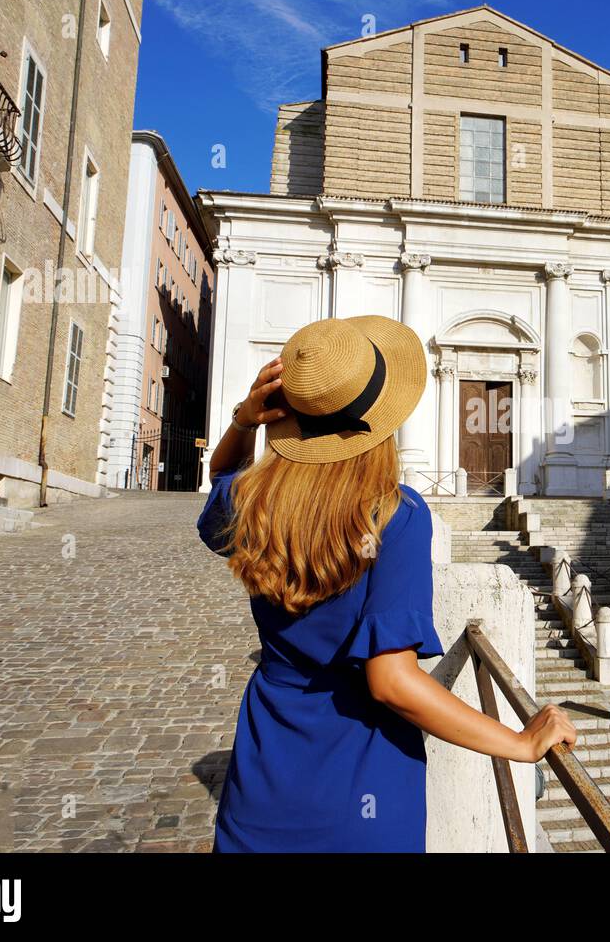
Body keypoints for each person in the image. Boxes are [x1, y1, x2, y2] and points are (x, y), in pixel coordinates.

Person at [197, 316, 576, 852]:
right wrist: (517, 742)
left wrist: (244, 421)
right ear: (382, 419)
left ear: (285, 414)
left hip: (264, 775)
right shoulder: (395, 516)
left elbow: (220, 478)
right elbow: (391, 682)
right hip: (362, 779)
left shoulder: (251, 501)